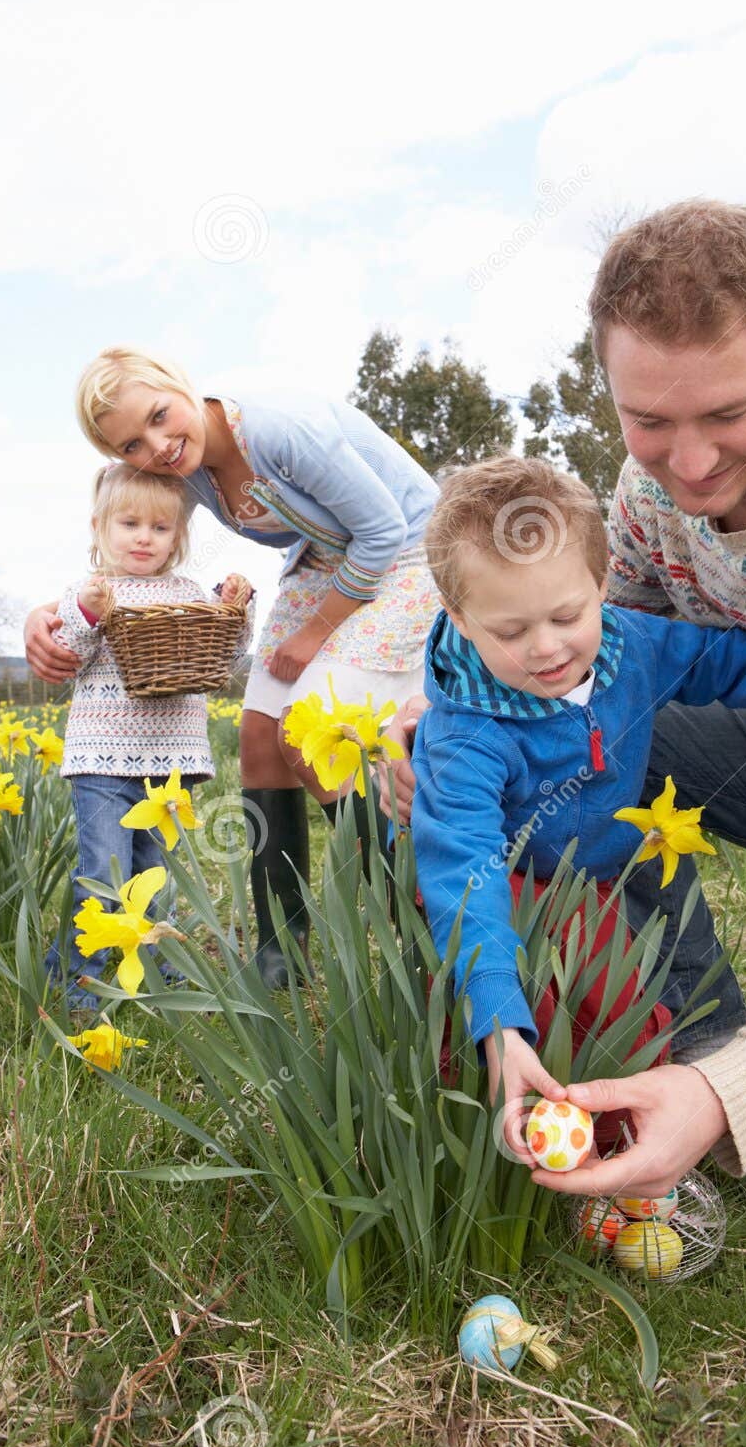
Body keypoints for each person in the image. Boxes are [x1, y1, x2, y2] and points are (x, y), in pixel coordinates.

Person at [384, 199, 746, 1245]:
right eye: (648, 421)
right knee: (574, 744)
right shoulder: (645, 487)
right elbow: (602, 652)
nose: (687, 463)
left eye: (725, 415)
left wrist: (734, 1092)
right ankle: (650, 1014)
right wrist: (454, 716)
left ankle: (710, 1058)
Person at [412, 455, 746, 1160]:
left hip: (613, 861)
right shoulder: (464, 734)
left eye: (565, 616)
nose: (547, 648)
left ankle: (673, 1107)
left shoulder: (628, 644)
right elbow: (462, 867)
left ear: (601, 584)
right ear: (457, 618)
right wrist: (497, 1012)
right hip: (528, 890)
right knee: (557, 1001)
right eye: (510, 632)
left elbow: (712, 659)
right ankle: (538, 1112)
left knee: (652, 975)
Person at [25, 348, 439, 989]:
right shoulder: (181, 470)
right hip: (328, 560)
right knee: (257, 734)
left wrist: (314, 632)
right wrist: (45, 612)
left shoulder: (278, 431)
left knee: (309, 729)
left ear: (183, 385)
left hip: (411, 552)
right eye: (133, 443)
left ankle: (417, 918)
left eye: (161, 416)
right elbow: (134, 540)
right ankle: (282, 955)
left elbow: (383, 532)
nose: (158, 446)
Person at [46, 462, 252, 1014]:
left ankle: (160, 971)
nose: (143, 537)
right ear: (100, 527)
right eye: (129, 524)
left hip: (170, 768)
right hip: (102, 762)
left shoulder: (188, 593)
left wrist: (236, 608)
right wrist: (86, 612)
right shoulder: (90, 592)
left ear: (177, 536)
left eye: (159, 528)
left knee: (156, 879)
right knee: (101, 878)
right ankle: (76, 983)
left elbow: (223, 654)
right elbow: (70, 655)